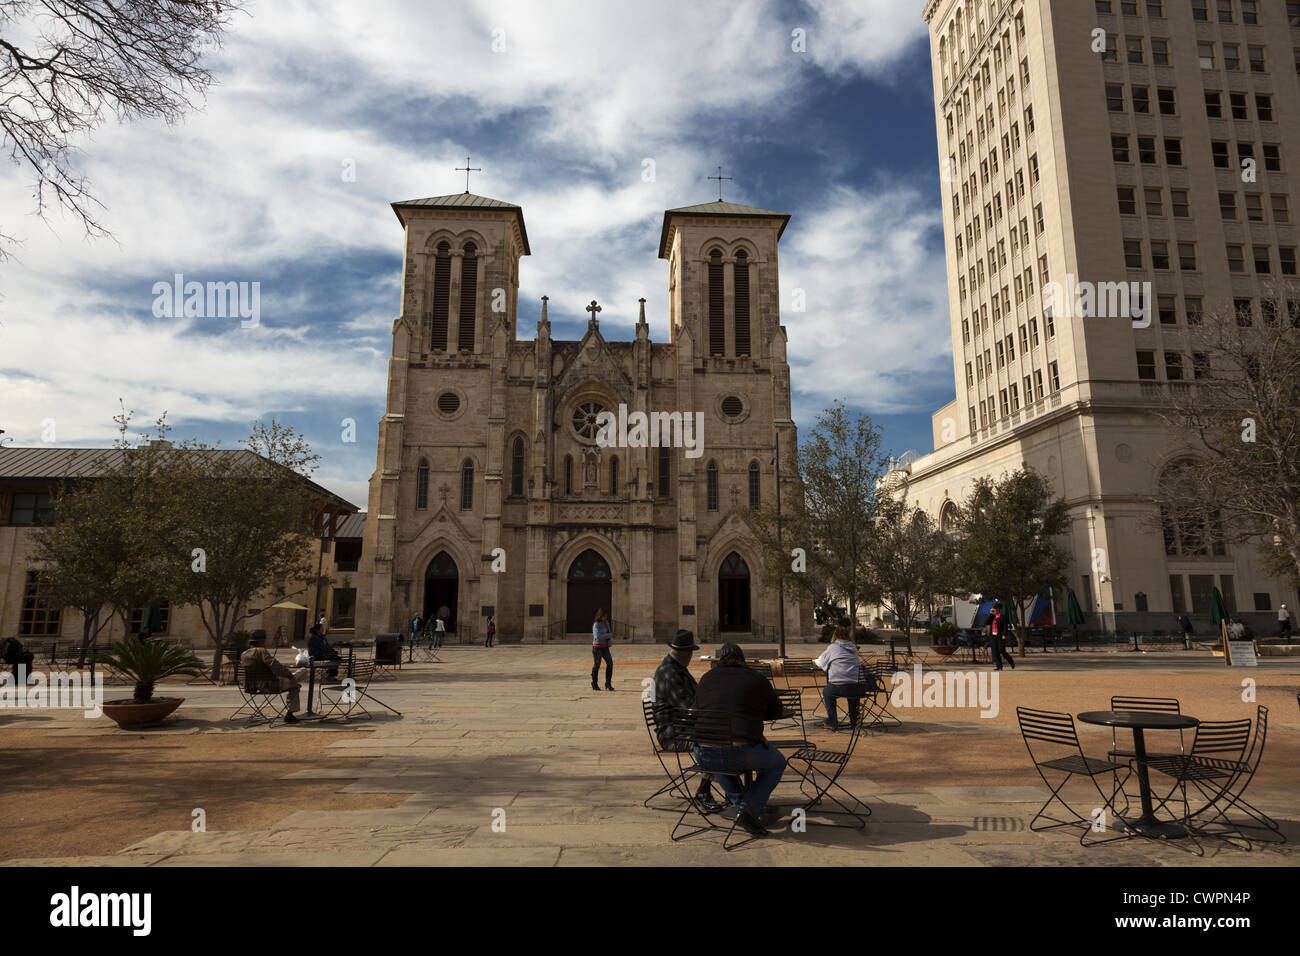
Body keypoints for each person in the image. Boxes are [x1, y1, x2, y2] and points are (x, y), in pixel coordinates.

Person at [692, 643, 786, 837]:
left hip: (704, 754)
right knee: (776, 763)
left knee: (720, 762)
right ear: (743, 661)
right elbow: (776, 711)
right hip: (742, 753)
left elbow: (695, 712)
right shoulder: (756, 679)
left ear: (719, 661)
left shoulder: (707, 678)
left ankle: (742, 806)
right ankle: (749, 810)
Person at [651, 629, 721, 812]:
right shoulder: (671, 674)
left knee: (720, 735)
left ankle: (729, 790)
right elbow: (689, 709)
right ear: (686, 654)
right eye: (691, 654)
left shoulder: (676, 668)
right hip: (674, 734)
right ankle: (705, 791)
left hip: (682, 727)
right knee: (718, 740)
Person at [240, 631, 308, 724]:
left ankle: (290, 713)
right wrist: (290, 676)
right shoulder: (261, 651)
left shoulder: (244, 654)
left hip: (252, 686)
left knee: (294, 685)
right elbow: (276, 666)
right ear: (261, 641)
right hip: (270, 685)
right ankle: (290, 714)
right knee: (302, 673)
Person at [814, 626, 869, 730]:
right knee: (852, 694)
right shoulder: (854, 648)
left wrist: (816, 661)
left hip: (840, 686)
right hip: (858, 687)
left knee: (827, 692)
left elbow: (821, 662)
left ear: (834, 636)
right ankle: (854, 721)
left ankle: (832, 721)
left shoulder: (832, 647)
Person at [988, 601, 1015, 670]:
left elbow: (1005, 627)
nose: (993, 610)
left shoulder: (1003, 617)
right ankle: (999, 666)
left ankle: (1011, 662)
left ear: (998, 610)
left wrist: (1004, 634)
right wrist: (990, 614)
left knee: (1002, 650)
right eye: (992, 609)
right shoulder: (992, 617)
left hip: (1000, 636)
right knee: (995, 651)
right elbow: (986, 622)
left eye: (994, 609)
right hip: (993, 636)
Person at [591, 608, 613, 691]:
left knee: (610, 663)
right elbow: (598, 636)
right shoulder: (596, 625)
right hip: (597, 648)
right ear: (601, 616)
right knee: (597, 665)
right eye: (604, 616)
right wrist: (609, 635)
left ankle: (608, 683)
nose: (606, 618)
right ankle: (594, 683)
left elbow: (608, 632)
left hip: (605, 647)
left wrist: (608, 635)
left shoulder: (606, 623)